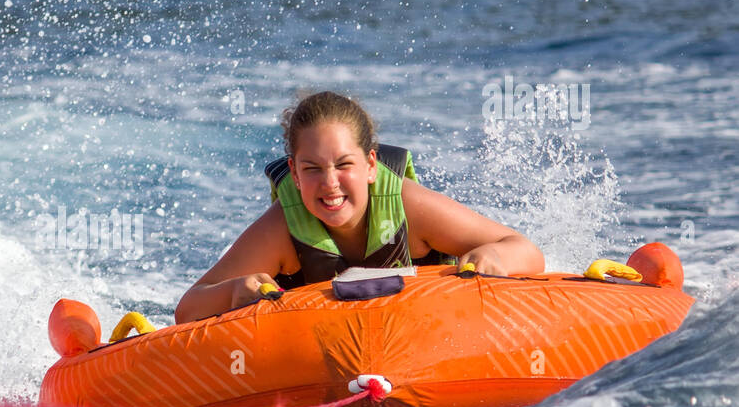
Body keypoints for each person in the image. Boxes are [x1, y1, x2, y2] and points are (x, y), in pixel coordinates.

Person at [175, 91, 544, 323]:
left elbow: (524, 250)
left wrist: (493, 256)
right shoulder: (282, 230)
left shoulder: (408, 206)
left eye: (343, 164)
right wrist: (235, 290)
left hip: (429, 326)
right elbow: (189, 309)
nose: (330, 182)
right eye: (312, 168)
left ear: (370, 165)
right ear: (294, 173)